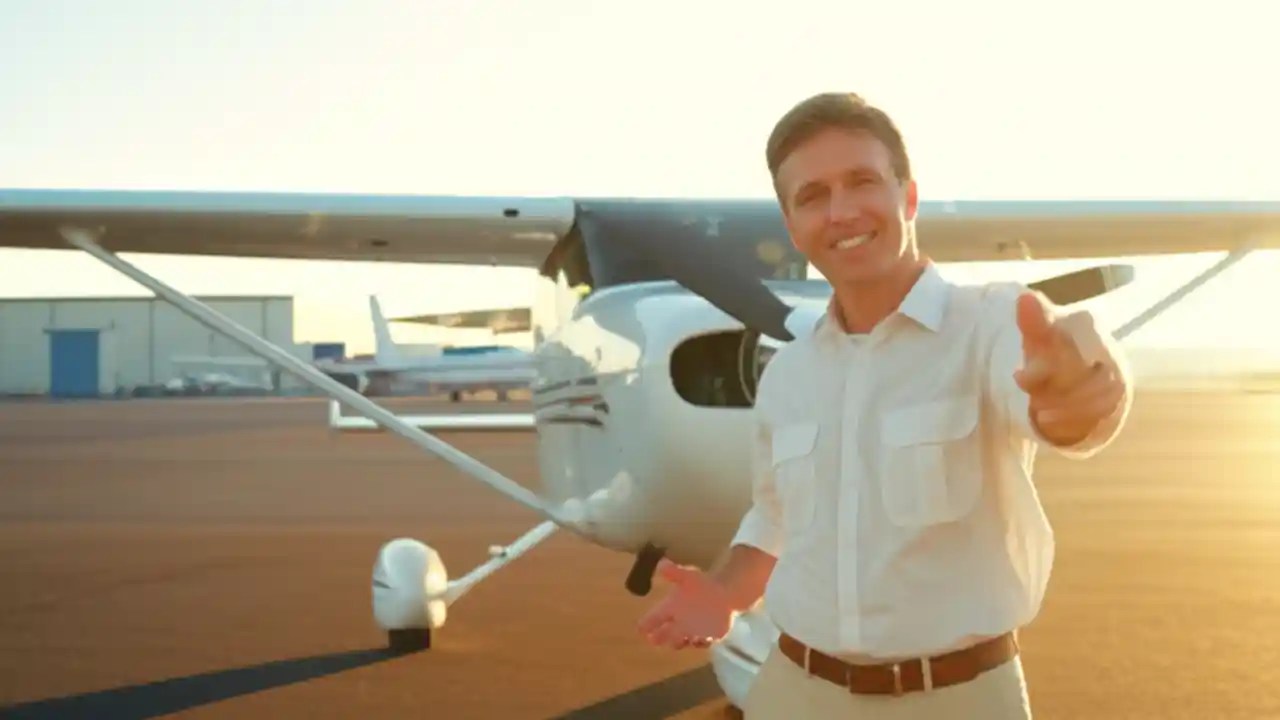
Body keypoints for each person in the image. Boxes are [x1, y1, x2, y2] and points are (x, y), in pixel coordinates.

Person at [636, 92, 1133, 718]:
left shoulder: (992, 324)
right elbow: (773, 517)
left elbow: (1065, 394)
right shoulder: (788, 372)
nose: (841, 211)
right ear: (793, 226)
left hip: (957, 698)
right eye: (812, 195)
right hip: (794, 688)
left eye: (862, 182)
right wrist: (726, 594)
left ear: (909, 197)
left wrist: (1082, 396)